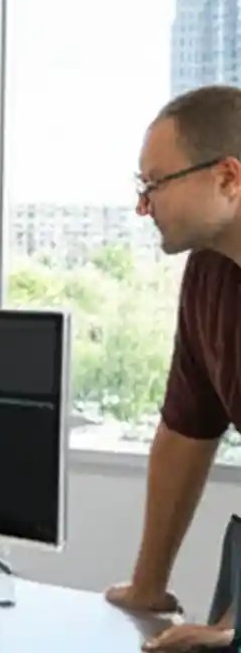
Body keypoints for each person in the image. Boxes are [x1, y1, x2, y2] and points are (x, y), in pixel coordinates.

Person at [106, 84, 241, 650]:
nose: (143, 206)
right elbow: (187, 428)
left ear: (227, 178)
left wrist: (234, 630)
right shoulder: (210, 271)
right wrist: (147, 585)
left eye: (155, 184)